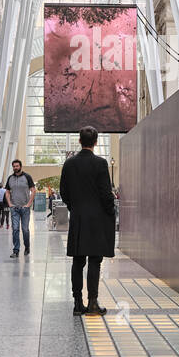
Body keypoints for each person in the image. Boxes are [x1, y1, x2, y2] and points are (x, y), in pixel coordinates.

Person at [60, 126, 116, 316]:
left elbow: (64, 193)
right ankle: (92, 302)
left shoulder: (69, 164)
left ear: (79, 141)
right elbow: (106, 194)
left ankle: (77, 303)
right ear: (96, 142)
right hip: (96, 218)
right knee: (95, 259)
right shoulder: (100, 164)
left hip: (78, 217)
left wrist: (74, 207)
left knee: (77, 260)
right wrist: (109, 211)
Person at [5, 160, 35, 257]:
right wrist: (9, 203)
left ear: (20, 166)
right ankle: (16, 250)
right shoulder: (10, 178)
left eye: (17, 166)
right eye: (14, 166)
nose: (15, 168)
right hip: (14, 208)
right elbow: (7, 192)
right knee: (15, 229)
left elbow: (33, 190)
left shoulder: (27, 177)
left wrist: (29, 203)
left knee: (25, 229)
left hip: (25, 208)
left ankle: (27, 246)